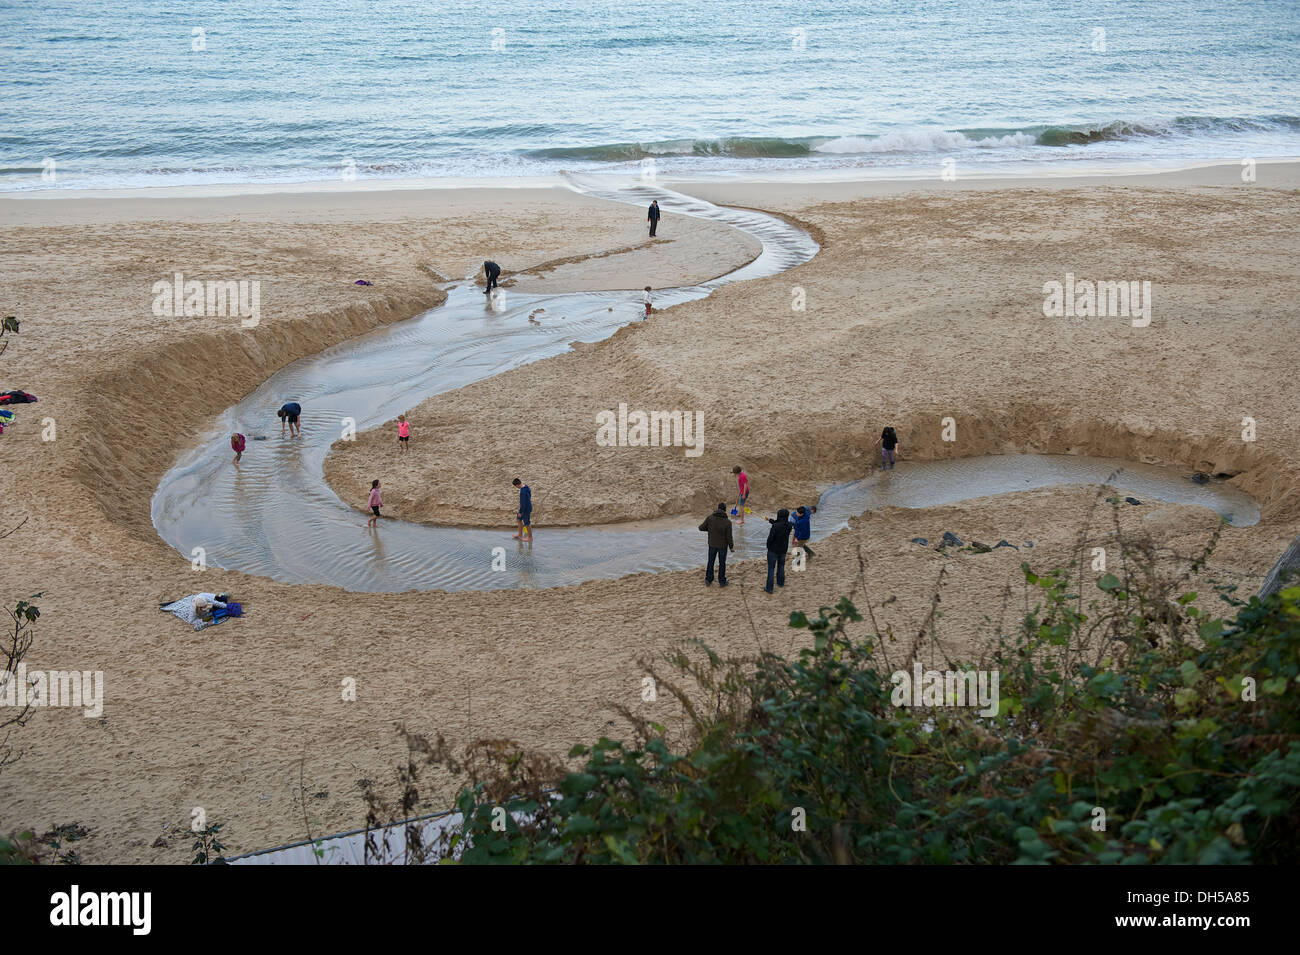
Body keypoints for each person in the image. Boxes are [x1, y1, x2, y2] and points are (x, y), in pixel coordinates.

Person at [698, 502, 735, 586]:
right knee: (722, 563)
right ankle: (722, 581)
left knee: (710, 562)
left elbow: (701, 528)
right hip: (722, 546)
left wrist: (710, 529)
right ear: (725, 510)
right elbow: (729, 536)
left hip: (712, 544)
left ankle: (708, 580)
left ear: (717, 508)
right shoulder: (728, 522)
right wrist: (731, 547)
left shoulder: (710, 518)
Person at [765, 508, 794, 593]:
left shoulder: (775, 526)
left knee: (771, 568)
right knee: (781, 566)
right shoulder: (789, 525)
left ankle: (769, 588)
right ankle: (780, 583)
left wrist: (768, 546)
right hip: (783, 549)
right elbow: (780, 524)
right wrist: (770, 520)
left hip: (773, 550)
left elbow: (771, 538)